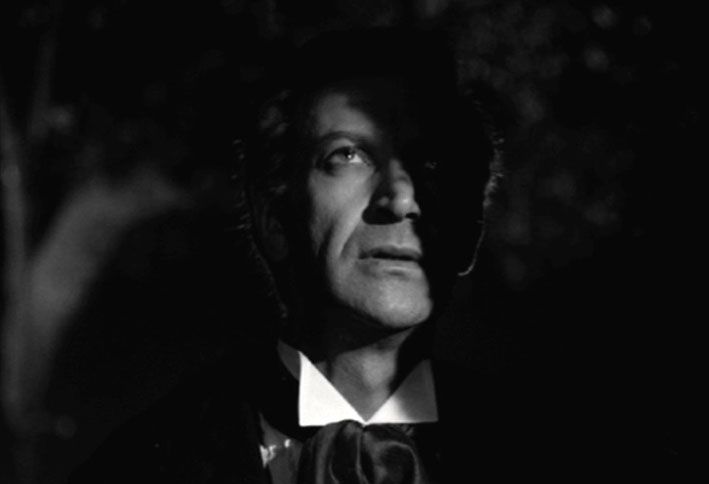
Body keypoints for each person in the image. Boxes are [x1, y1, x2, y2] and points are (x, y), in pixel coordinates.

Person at [69, 28, 508, 484]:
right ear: (274, 218)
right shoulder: (137, 466)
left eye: (432, 162)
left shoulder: (548, 452)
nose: (399, 199)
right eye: (349, 155)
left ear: (470, 230)